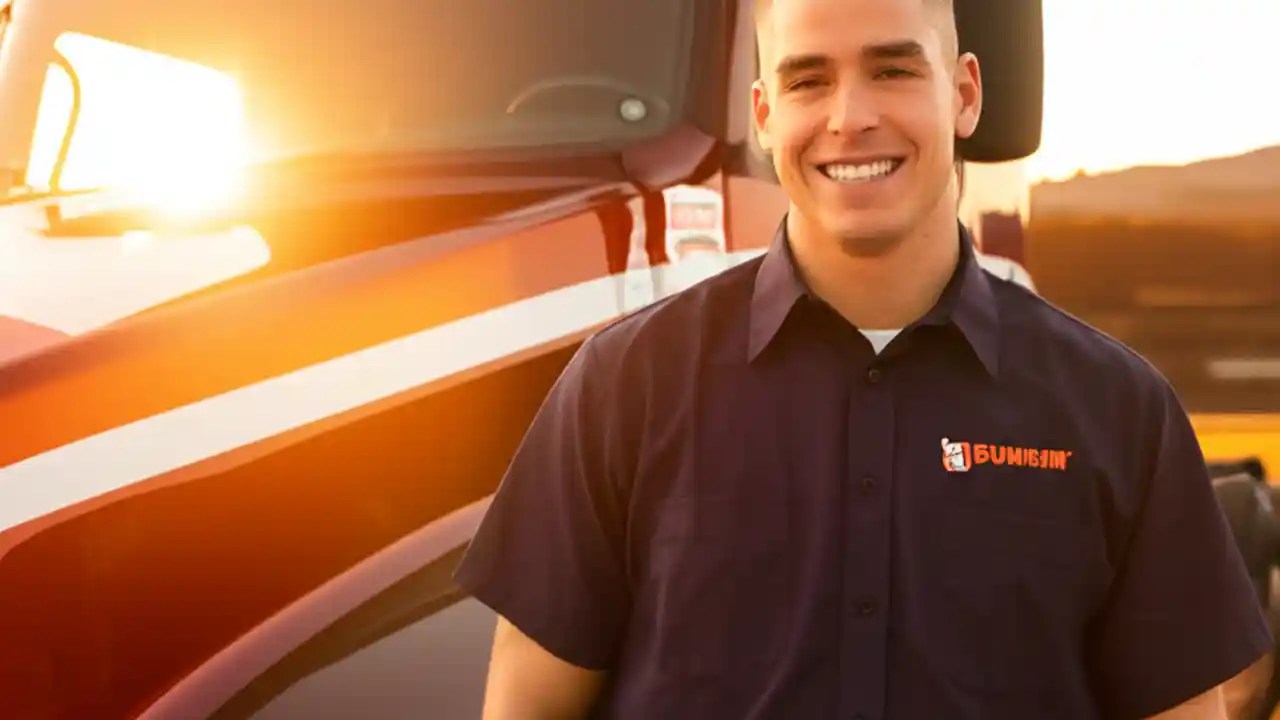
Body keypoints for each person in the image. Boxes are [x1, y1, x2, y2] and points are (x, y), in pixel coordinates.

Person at [453, 0, 1272, 717]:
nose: (850, 117)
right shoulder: (622, 387)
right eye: (809, 80)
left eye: (892, 71)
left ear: (965, 94)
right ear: (765, 113)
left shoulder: (1119, 410)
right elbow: (527, 707)